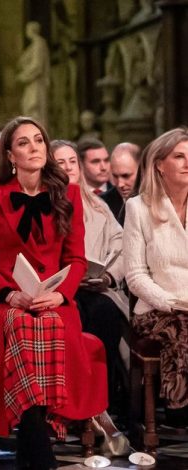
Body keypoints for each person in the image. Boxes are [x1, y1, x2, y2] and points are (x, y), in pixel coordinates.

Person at [0, 117, 107, 469]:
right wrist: (7, 294)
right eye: (23, 143)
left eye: (38, 141)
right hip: (6, 301)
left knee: (50, 323)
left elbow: (76, 259)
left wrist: (61, 296)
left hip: (55, 298)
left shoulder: (70, 194)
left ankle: (31, 442)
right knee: (20, 324)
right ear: (10, 155)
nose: (34, 148)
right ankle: (37, 438)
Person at [53, 140, 130, 454]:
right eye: (61, 162)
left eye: (72, 161)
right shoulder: (42, 205)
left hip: (97, 287)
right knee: (73, 318)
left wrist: (109, 275)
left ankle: (101, 403)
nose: (69, 168)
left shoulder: (99, 207)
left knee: (104, 314)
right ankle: (88, 410)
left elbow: (123, 246)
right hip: (59, 291)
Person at [124, 128, 188, 426]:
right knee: (182, 325)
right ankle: (179, 405)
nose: (187, 163)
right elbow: (135, 275)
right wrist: (171, 302)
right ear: (160, 164)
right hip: (155, 309)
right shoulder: (139, 208)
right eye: (179, 156)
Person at [102, 142, 140, 226]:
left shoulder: (159, 200)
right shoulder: (101, 204)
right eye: (115, 176)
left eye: (126, 176)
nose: (120, 184)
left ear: (142, 170)